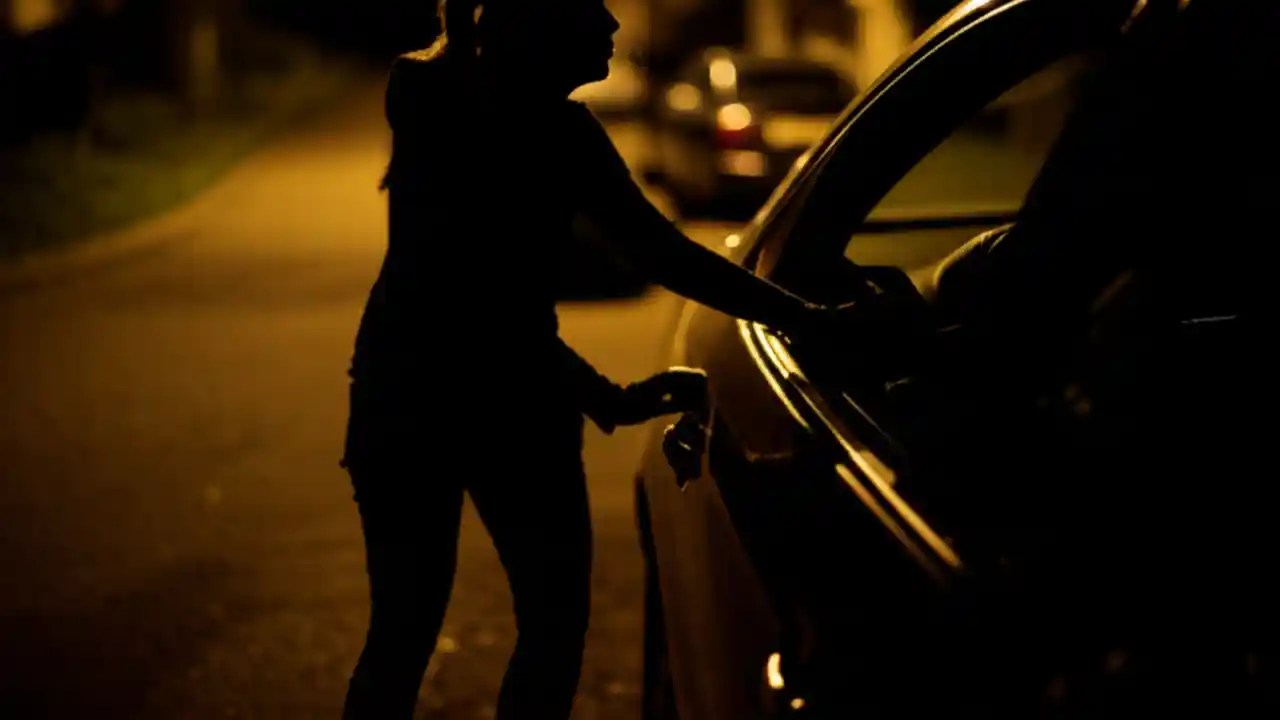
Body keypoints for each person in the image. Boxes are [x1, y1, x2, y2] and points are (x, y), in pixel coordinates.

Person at [339, 1, 845, 718]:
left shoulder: (438, 97)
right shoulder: (516, 120)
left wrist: (607, 396)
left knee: (412, 632)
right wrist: (805, 319)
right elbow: (644, 258)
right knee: (534, 627)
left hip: (412, 391)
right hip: (490, 403)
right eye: (587, 5)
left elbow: (486, 313)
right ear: (537, 22)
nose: (611, 22)